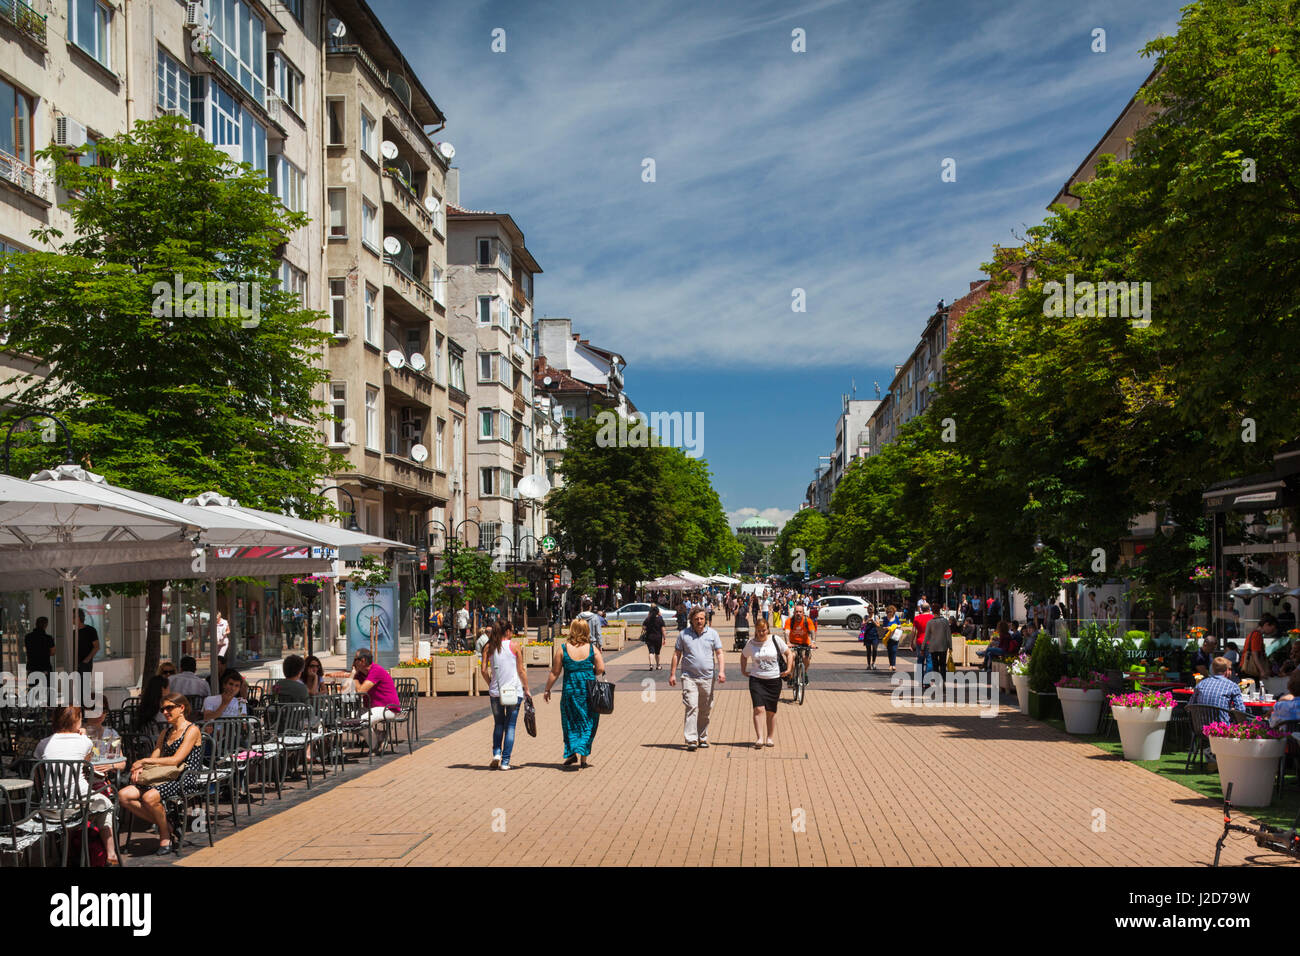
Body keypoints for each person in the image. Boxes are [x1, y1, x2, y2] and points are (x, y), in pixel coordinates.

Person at [117, 693, 202, 855]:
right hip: (164, 776)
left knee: (149, 797)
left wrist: (143, 761)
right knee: (123, 796)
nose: (165, 712)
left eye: (169, 708)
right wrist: (141, 768)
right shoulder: (166, 732)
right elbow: (154, 758)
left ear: (181, 708)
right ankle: (169, 826)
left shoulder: (192, 730)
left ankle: (165, 835)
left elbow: (177, 760)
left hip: (184, 777)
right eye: (163, 709)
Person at [34, 706, 120, 865]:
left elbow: (38, 776)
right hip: (76, 804)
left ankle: (68, 853)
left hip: (49, 807)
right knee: (107, 805)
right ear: (77, 720)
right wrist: (83, 736)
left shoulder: (43, 744)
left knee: (79, 812)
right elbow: (89, 764)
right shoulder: (84, 741)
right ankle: (111, 852)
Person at [544, 617, 604, 769]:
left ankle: (571, 753)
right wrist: (590, 671)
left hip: (570, 691)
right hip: (588, 691)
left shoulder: (563, 649)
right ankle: (583, 759)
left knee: (570, 722)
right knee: (588, 722)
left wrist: (547, 689)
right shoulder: (592, 649)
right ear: (586, 631)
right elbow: (601, 668)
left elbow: (555, 672)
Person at [669, 607, 725, 751]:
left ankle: (702, 737)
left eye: (701, 618)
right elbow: (677, 654)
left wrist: (721, 671)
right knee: (691, 706)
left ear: (705, 619)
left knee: (705, 709)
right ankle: (691, 739)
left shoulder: (713, 634)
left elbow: (719, 653)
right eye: (696, 619)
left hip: (707, 677)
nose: (699, 621)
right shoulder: (683, 635)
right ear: (691, 620)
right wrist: (672, 674)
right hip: (689, 677)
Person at [481, 621, 530, 770]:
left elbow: (483, 670)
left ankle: (496, 753)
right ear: (507, 631)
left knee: (498, 724)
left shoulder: (489, 647)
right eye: (512, 630)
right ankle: (505, 762)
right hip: (513, 691)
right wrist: (526, 689)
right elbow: (521, 670)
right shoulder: (514, 646)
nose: (513, 633)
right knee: (510, 726)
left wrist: (490, 683)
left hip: (496, 691)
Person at [741, 618, 790, 748]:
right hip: (756, 680)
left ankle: (770, 737)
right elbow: (743, 656)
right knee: (758, 709)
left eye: (764, 630)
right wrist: (743, 670)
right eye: (759, 631)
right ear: (755, 631)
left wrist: (789, 669)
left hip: (774, 680)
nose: (761, 633)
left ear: (768, 629)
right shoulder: (751, 643)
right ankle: (759, 738)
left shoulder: (775, 639)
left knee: (771, 711)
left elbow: (788, 653)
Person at [351, 649, 401, 752]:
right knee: (349, 720)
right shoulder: (361, 674)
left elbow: (360, 691)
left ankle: (374, 746)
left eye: (355, 659)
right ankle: (379, 735)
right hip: (373, 708)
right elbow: (346, 688)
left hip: (388, 708)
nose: (353, 662)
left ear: (362, 661)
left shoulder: (376, 670)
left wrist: (354, 676)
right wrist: (354, 676)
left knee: (362, 721)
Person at [1191, 657, 1245, 725]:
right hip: (1222, 729)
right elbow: (1241, 710)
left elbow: (1191, 705)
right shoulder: (1232, 686)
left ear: (1213, 670)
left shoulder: (1201, 684)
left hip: (1201, 728)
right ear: (1227, 670)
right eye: (1230, 669)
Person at [784, 603, 817, 680]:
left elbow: (812, 632)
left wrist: (813, 642)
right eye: (796, 612)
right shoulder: (789, 621)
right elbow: (786, 632)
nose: (798, 613)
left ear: (803, 613)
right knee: (791, 657)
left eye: (800, 612)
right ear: (794, 613)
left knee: (806, 658)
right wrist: (788, 642)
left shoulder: (807, 620)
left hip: (805, 644)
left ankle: (804, 673)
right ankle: (791, 676)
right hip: (793, 644)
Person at [925, 610, 953, 694]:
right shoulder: (945, 622)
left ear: (933, 612)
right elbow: (948, 635)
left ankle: (937, 683)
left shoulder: (930, 622)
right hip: (943, 647)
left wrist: (922, 647)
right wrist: (950, 646)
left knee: (935, 665)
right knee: (943, 665)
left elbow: (926, 636)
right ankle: (943, 682)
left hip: (933, 647)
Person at [24, 616, 54, 689]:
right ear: (45, 625)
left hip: (32, 667)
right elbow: (52, 652)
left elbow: (27, 650)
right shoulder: (48, 638)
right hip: (45, 667)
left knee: (32, 690)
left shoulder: (28, 637)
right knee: (47, 690)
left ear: (36, 624)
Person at [75, 608, 99, 676]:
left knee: (85, 682)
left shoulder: (90, 630)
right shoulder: (73, 632)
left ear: (78, 618)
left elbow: (96, 647)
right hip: (74, 664)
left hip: (85, 665)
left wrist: (86, 661)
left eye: (72, 617)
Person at [643, 605, 666, 671]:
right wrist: (664, 638)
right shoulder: (660, 619)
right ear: (658, 612)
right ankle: (658, 665)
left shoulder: (648, 619)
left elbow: (643, 627)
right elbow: (663, 630)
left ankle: (651, 665)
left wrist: (647, 629)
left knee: (651, 651)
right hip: (658, 638)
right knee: (657, 652)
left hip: (649, 637)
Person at [883, 604, 902, 673]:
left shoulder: (896, 618)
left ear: (893, 612)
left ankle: (893, 665)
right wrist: (887, 628)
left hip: (895, 636)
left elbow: (900, 625)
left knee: (894, 650)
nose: (889, 613)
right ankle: (890, 664)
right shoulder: (885, 618)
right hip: (888, 637)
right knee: (889, 651)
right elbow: (883, 627)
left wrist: (896, 626)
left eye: (891, 612)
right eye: (888, 612)